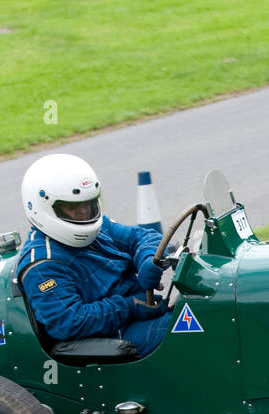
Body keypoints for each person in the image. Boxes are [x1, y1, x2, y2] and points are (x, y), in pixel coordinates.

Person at [16, 153, 172, 357]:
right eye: (73, 207)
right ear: (41, 206)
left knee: (211, 312)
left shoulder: (100, 227)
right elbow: (69, 321)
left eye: (88, 204)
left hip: (139, 318)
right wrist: (129, 306)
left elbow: (142, 237)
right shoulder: (42, 264)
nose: (84, 212)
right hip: (114, 337)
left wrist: (148, 260)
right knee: (198, 330)